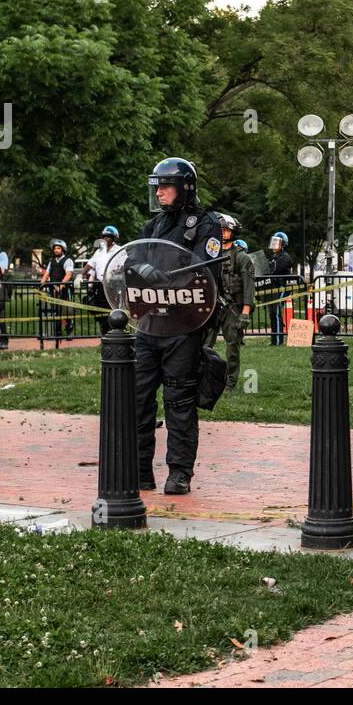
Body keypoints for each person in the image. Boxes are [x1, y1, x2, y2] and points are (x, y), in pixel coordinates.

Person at [134, 157, 228, 494]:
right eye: (156, 186)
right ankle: (141, 468)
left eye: (166, 186)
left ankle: (179, 472)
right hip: (148, 326)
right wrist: (138, 272)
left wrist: (169, 279)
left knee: (178, 401)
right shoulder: (152, 226)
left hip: (182, 326)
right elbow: (132, 261)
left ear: (185, 188)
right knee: (138, 399)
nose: (159, 192)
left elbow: (205, 271)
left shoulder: (205, 225)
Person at [201, 215, 255, 390]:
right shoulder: (211, 253)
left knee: (232, 346)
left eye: (226, 230)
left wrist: (245, 313)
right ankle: (204, 379)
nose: (223, 233)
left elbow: (248, 288)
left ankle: (230, 382)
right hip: (214, 306)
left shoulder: (241, 257)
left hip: (233, 307)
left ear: (233, 232)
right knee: (204, 344)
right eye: (220, 230)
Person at [85, 225, 119, 334]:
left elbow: (123, 267)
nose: (105, 239)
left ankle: (114, 334)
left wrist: (113, 275)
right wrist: (80, 275)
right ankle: (104, 335)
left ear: (114, 238)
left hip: (113, 285)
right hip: (100, 286)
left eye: (108, 237)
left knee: (113, 310)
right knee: (99, 310)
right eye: (104, 237)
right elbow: (90, 265)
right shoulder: (99, 252)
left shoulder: (119, 250)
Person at [39, 239, 75, 337]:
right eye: (55, 248)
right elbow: (47, 274)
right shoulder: (52, 262)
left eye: (58, 248)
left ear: (63, 250)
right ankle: (57, 333)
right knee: (56, 311)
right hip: (53, 289)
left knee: (67, 311)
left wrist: (62, 284)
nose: (56, 250)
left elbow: (69, 274)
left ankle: (69, 332)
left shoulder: (67, 260)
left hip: (65, 290)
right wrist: (41, 283)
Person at [267, 231, 294, 345]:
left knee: (277, 312)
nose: (274, 245)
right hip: (275, 287)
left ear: (282, 244)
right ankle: (274, 340)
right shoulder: (274, 257)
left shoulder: (284, 257)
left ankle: (278, 341)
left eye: (277, 243)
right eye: (273, 242)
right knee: (273, 313)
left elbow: (274, 271)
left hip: (283, 287)